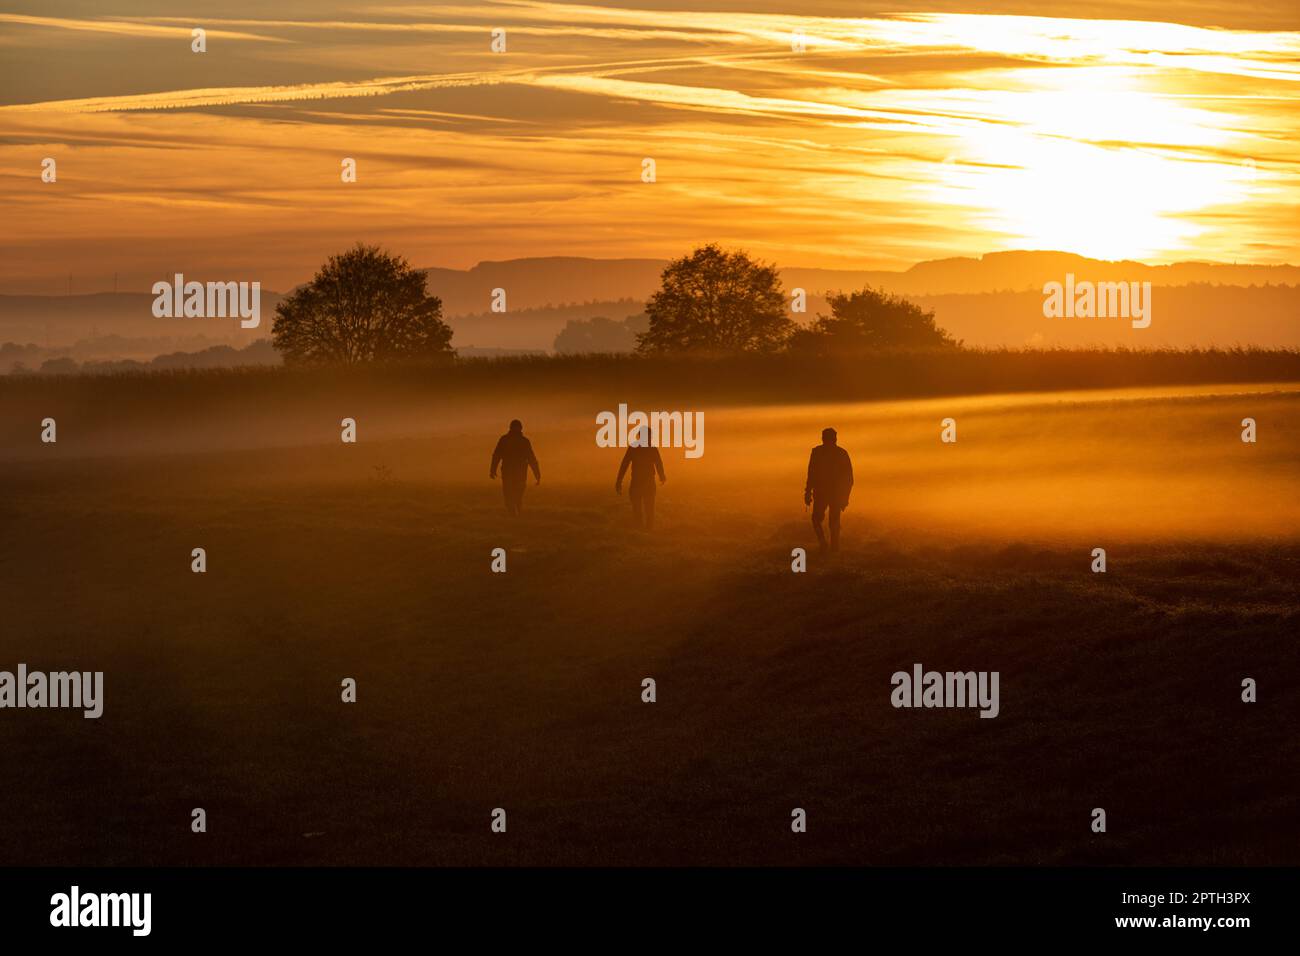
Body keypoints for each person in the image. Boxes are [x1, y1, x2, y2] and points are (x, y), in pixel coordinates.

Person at [804, 427, 853, 553]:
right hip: (833, 494)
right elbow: (849, 479)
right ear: (835, 438)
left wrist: (808, 492)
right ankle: (833, 548)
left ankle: (824, 544)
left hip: (822, 493)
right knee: (834, 522)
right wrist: (845, 497)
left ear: (823, 438)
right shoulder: (841, 453)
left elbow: (811, 474)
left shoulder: (817, 452)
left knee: (817, 519)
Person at [616, 425, 666, 530]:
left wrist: (619, 480)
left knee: (640, 509)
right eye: (649, 436)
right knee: (648, 509)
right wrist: (662, 476)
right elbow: (658, 463)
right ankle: (647, 531)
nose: (650, 438)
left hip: (638, 482)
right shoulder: (652, 448)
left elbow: (624, 464)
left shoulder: (634, 448)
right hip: (646, 482)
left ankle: (642, 531)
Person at [490, 419, 541, 516]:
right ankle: (514, 512)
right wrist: (537, 475)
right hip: (515, 472)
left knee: (513, 493)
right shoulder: (522, 441)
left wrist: (537, 474)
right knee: (512, 493)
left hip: (513, 472)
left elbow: (531, 458)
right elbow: (497, 455)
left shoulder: (506, 440)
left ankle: (514, 511)